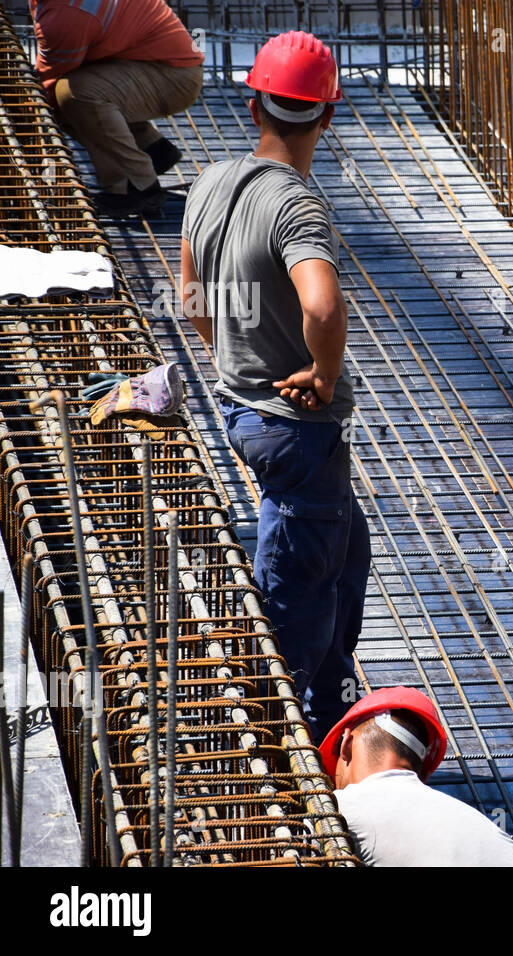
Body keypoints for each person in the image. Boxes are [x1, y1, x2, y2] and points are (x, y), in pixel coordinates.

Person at [178, 31, 369, 741]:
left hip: (244, 410)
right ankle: (270, 735)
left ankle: (334, 704)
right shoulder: (297, 206)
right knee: (298, 596)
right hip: (294, 427)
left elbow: (191, 299)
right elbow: (320, 304)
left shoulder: (206, 182)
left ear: (253, 105)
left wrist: (234, 359)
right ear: (327, 117)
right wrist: (320, 370)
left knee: (346, 551)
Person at [321, 687, 513, 867]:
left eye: (333, 767)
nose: (334, 781)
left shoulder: (343, 808)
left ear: (346, 744)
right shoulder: (474, 822)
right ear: (423, 773)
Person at [29, 0, 204, 217]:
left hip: (174, 77)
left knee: (74, 94)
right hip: (154, 64)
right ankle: (151, 148)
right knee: (73, 94)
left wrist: (28, 117)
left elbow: (50, 81)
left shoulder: (67, 15)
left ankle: (136, 187)